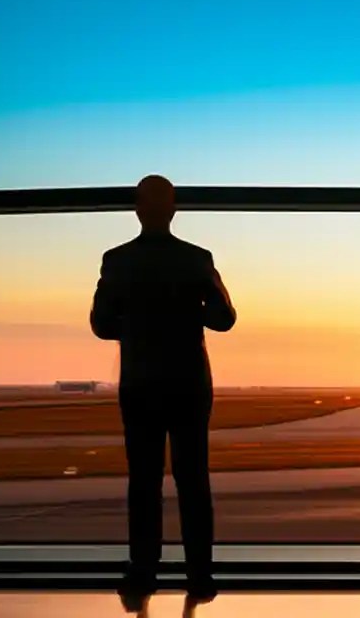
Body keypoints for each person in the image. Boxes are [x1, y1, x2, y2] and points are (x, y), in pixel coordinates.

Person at [90, 175, 236, 613]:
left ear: (138, 211)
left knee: (144, 479)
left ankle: (143, 569)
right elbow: (224, 318)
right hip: (189, 381)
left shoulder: (116, 261)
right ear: (173, 211)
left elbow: (100, 324)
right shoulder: (196, 259)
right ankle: (200, 572)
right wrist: (194, 310)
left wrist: (135, 331)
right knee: (193, 478)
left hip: (140, 381)